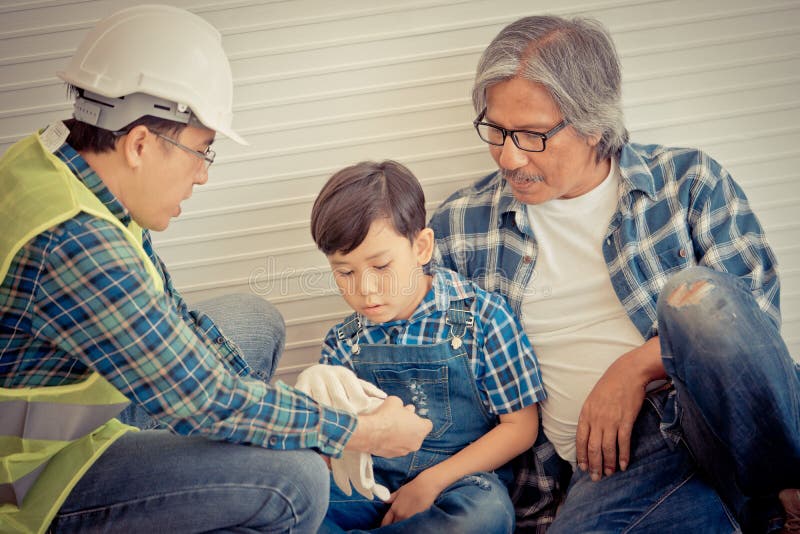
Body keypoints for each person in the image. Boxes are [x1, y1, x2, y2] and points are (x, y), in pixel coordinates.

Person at [0, 6, 430, 533]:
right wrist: (354, 432)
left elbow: (176, 322)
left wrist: (292, 419)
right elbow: (201, 397)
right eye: (202, 151)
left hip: (85, 418)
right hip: (32, 481)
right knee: (296, 481)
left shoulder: (61, 169)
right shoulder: (77, 244)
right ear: (139, 144)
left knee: (253, 319)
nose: (202, 175)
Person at [429, 14, 800, 534]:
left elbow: (752, 322)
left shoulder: (688, 181)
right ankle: (766, 513)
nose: (507, 157)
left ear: (595, 125)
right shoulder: (459, 228)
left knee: (693, 297)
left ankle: (789, 484)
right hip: (615, 466)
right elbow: (430, 365)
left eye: (532, 135)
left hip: (727, 417)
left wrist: (635, 369)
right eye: (496, 129)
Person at [308, 160, 546, 533]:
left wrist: (430, 483)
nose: (365, 290)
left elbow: (520, 427)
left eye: (381, 266)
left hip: (460, 482)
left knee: (484, 515)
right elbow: (333, 446)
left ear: (421, 247)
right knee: (301, 503)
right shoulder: (343, 342)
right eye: (345, 272)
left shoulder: (483, 318)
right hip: (372, 483)